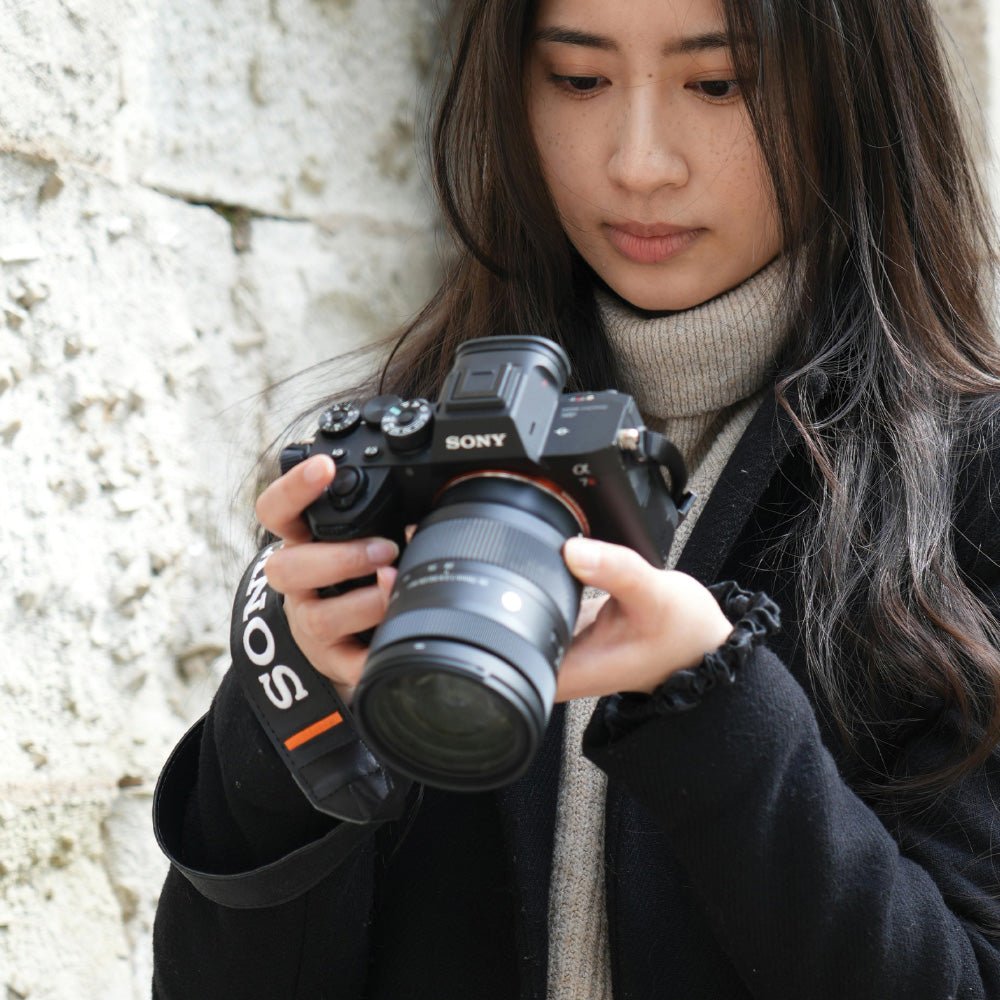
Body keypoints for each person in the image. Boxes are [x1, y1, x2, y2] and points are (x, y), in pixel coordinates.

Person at [151, 0, 1000, 996]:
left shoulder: (959, 487)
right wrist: (291, 720)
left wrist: (710, 704)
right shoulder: (404, 463)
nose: (638, 163)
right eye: (578, 79)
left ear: (853, 93)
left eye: (719, 84)